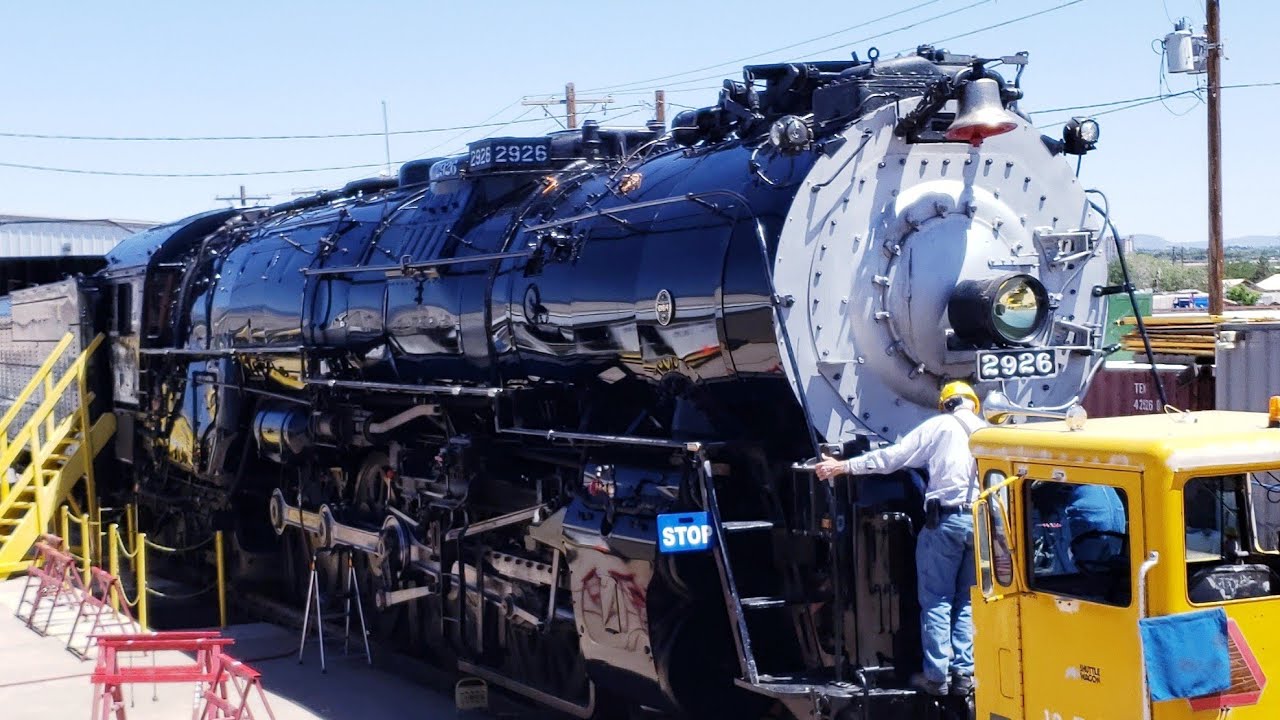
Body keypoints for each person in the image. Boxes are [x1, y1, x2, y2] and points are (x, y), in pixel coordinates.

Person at [815, 380, 986, 697]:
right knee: (966, 601)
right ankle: (964, 674)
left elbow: (893, 458)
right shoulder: (986, 431)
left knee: (937, 599)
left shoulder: (940, 426)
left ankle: (937, 676)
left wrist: (844, 467)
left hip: (945, 521)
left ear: (946, 404)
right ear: (974, 404)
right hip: (980, 522)